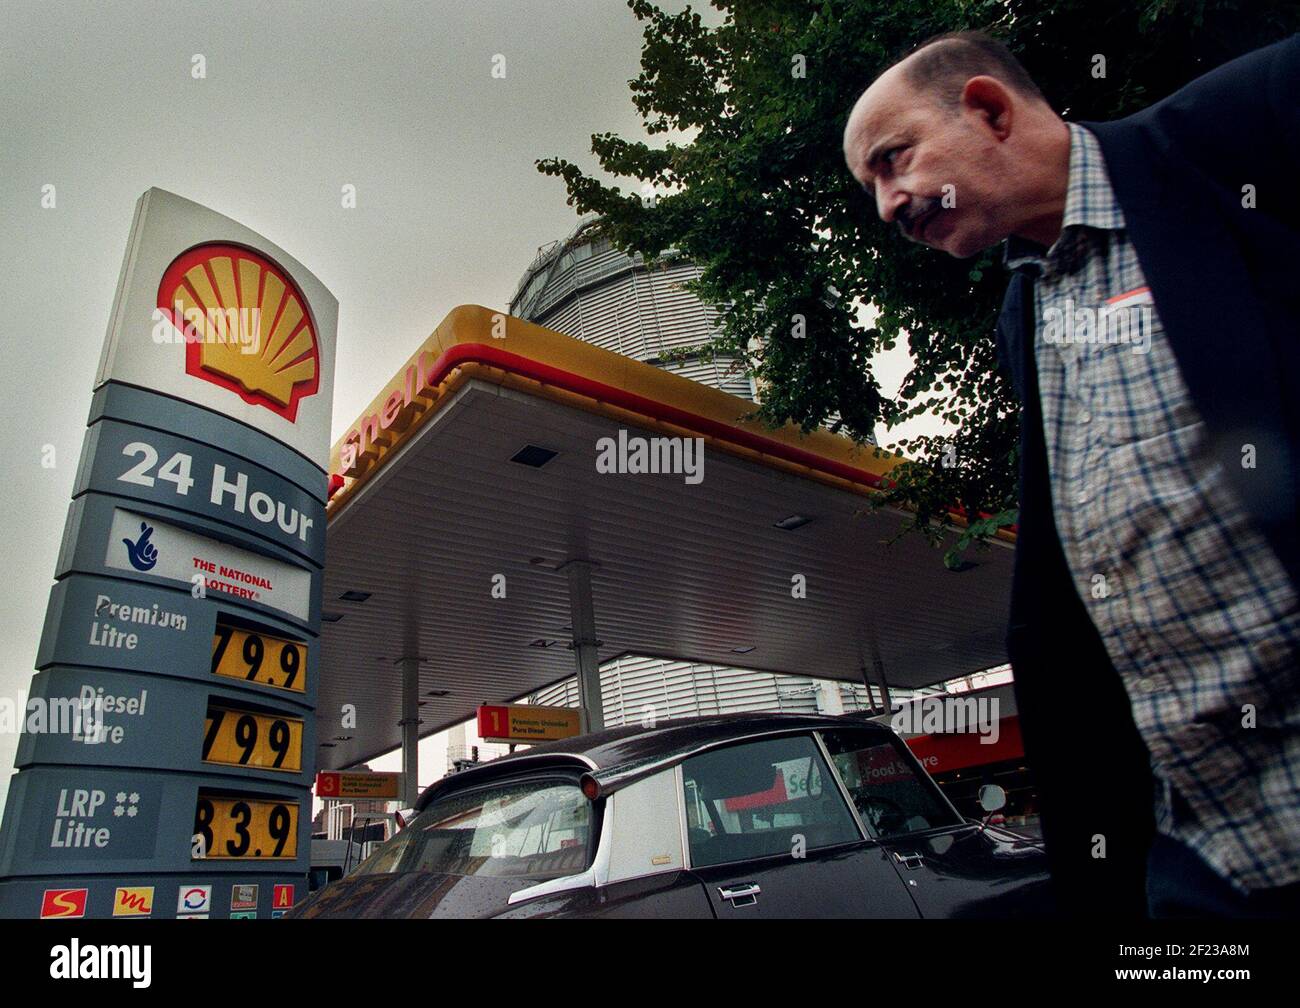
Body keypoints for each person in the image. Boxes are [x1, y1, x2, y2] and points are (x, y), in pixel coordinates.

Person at [842, 30, 1300, 918]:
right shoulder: (1026, 312)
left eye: (893, 162)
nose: (889, 205)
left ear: (988, 108)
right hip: (1204, 852)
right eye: (872, 190)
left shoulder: (1243, 128)